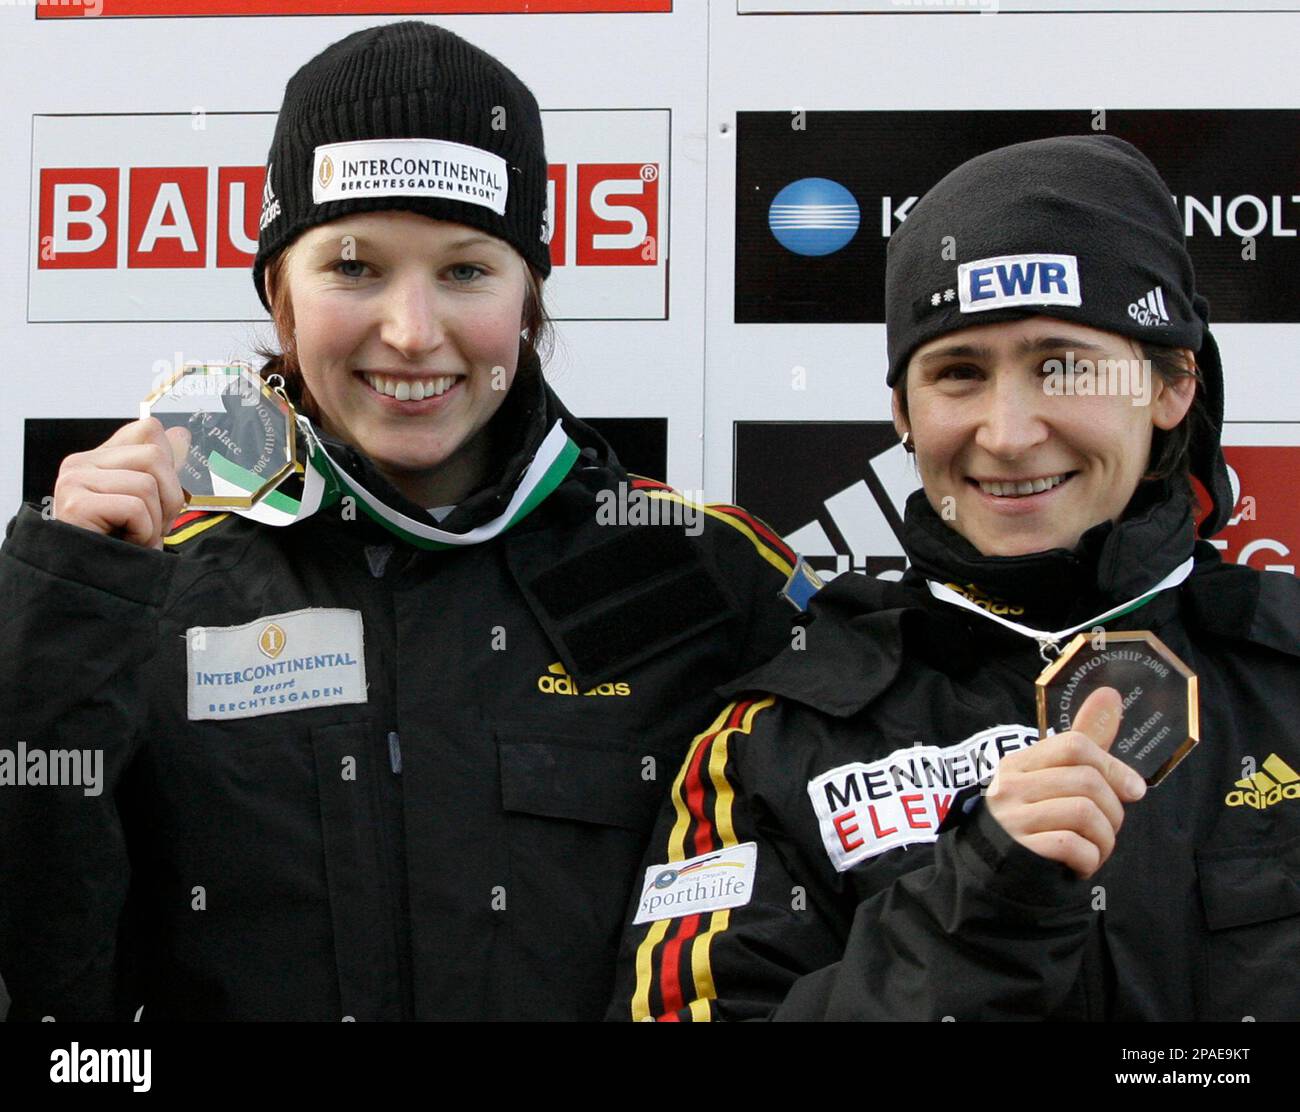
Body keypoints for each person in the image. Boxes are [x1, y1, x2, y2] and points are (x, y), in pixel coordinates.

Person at [0, 21, 801, 1021]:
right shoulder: (140, 585)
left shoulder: (703, 571)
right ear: (279, 300)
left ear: (528, 298)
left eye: (466, 270)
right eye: (353, 266)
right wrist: (62, 619)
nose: (412, 331)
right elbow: (46, 987)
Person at [610, 135, 1300, 1022]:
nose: (1008, 433)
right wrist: (981, 902)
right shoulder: (776, 738)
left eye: (1064, 366)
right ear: (902, 409)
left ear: (1170, 386)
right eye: (959, 374)